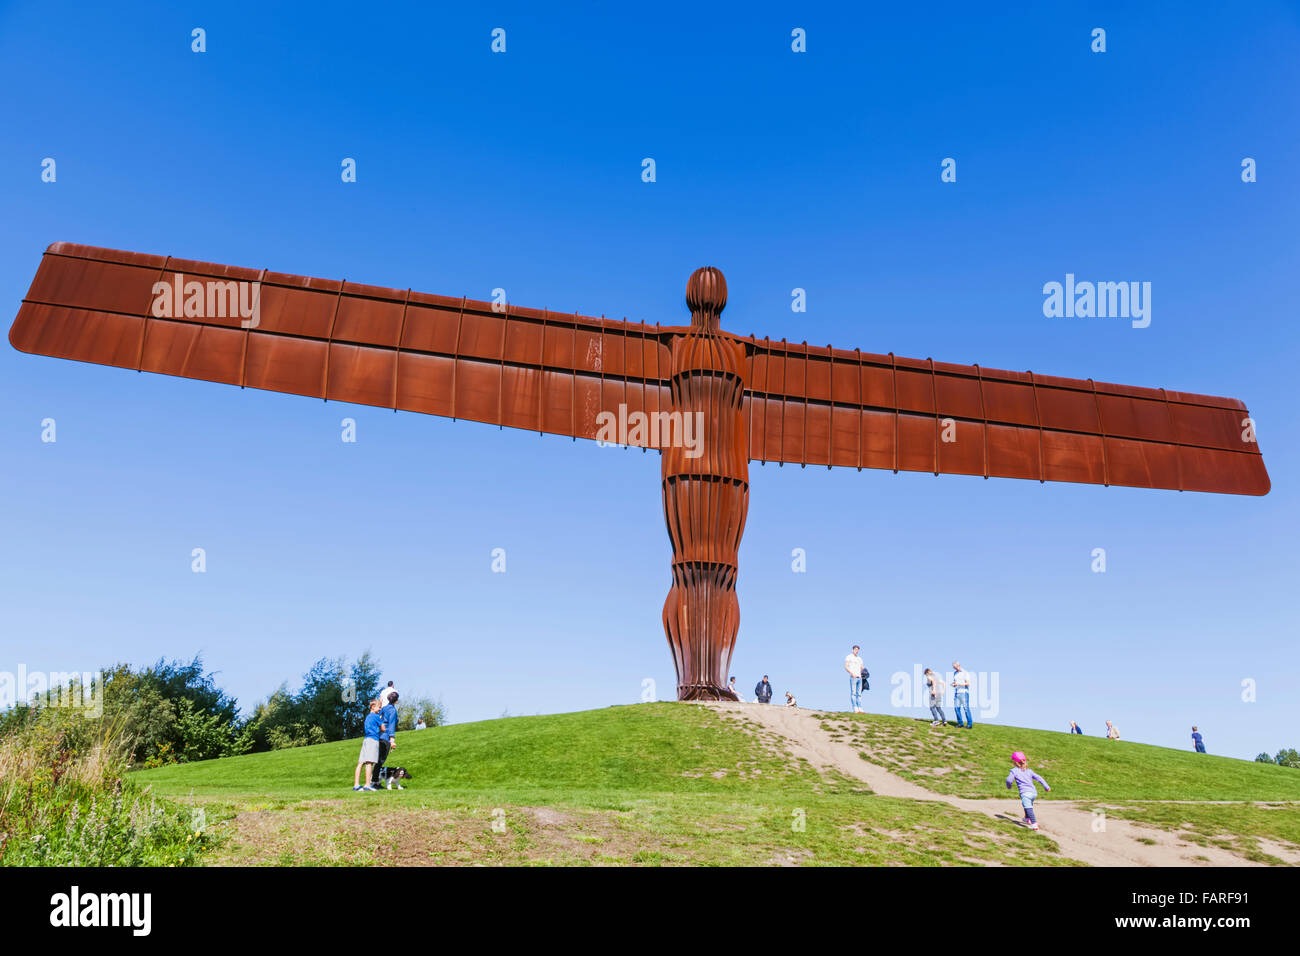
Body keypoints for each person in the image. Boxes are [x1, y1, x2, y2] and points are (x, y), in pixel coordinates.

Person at [1005, 751, 1051, 831]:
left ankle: (1034, 824)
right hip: (1033, 793)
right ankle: (1027, 818)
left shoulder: (1014, 771)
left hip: (1025, 793)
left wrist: (1009, 786)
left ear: (1015, 762)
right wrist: (1046, 787)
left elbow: (1009, 780)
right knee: (1027, 805)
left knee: (1028, 807)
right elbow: (1039, 778)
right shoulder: (1029, 771)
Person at [353, 699, 384, 792]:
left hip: (366, 740)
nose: (380, 709)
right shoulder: (376, 717)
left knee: (361, 762)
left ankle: (356, 785)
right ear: (373, 707)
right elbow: (383, 728)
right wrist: (381, 719)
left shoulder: (368, 717)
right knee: (369, 762)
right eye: (379, 707)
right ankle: (367, 785)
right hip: (373, 740)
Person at [375, 691, 401, 789]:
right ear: (396, 700)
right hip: (385, 737)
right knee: (381, 760)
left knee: (378, 760)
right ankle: (375, 782)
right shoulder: (393, 711)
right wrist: (392, 740)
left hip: (379, 736)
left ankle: (374, 780)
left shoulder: (384, 708)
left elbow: (378, 719)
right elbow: (391, 725)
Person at [951, 661, 972, 728]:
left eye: (956, 667)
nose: (955, 669)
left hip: (964, 693)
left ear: (959, 665)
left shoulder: (965, 673)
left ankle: (969, 724)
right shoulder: (955, 673)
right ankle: (960, 723)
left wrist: (958, 684)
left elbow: (968, 683)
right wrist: (954, 684)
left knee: (966, 708)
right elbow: (956, 682)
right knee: (956, 708)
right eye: (954, 668)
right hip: (957, 693)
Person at [845, 645, 864, 713]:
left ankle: (860, 708)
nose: (857, 651)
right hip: (853, 677)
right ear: (853, 650)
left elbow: (862, 667)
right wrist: (852, 673)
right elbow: (846, 667)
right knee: (853, 693)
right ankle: (855, 708)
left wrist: (863, 673)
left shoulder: (859, 658)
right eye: (855, 649)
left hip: (860, 677)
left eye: (858, 649)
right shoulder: (849, 657)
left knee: (859, 694)